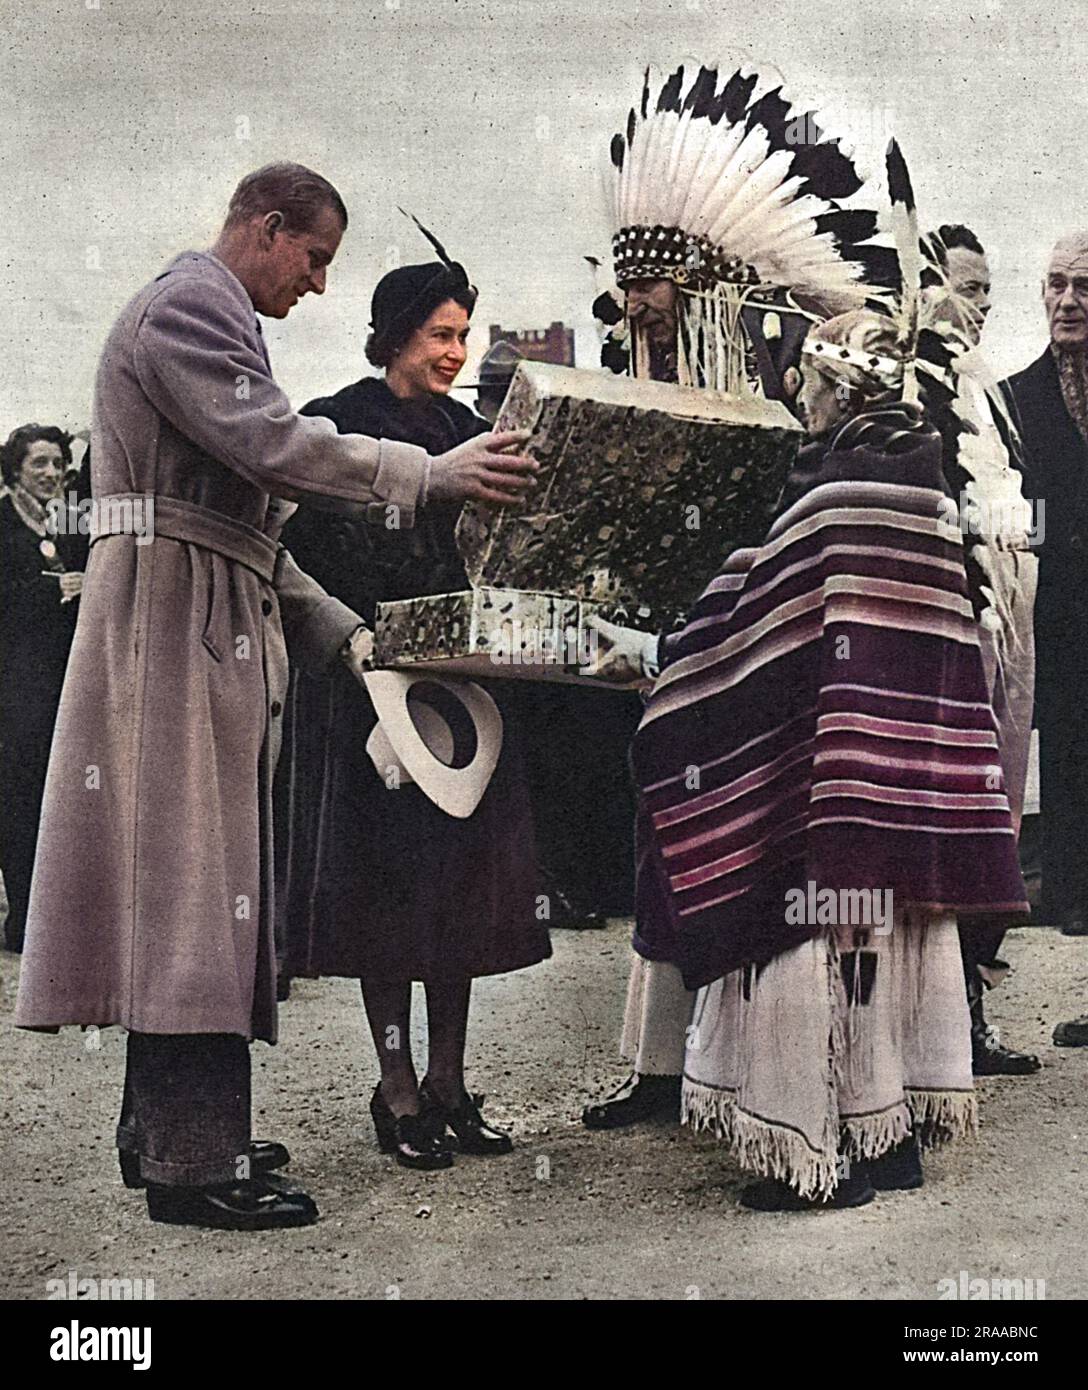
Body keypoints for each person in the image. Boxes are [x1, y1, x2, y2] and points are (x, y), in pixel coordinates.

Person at [14, 162, 536, 1231]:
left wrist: (344, 642)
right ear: (264, 226)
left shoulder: (211, 316)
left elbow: (256, 522)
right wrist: (426, 474)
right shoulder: (191, 304)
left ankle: (170, 1138)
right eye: (314, 258)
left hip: (196, 610)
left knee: (191, 894)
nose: (317, 285)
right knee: (192, 897)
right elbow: (278, 451)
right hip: (173, 621)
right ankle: (193, 1165)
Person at [594, 310, 1029, 1208]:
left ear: (833, 388)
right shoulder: (930, 494)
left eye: (807, 381)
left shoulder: (832, 499)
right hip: (902, 789)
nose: (797, 393)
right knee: (887, 948)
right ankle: (887, 1137)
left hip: (826, 788)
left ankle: (816, 1154)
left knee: (811, 951)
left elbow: (754, 625)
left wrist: (661, 655)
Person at [582, 61, 888, 1130]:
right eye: (624, 287)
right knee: (658, 832)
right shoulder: (622, 375)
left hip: (761, 636)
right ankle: (661, 1065)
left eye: (654, 286)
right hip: (664, 636)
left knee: (756, 838)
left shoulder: (775, 388)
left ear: (700, 282)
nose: (635, 304)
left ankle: (757, 1071)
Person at [276, 245, 551, 1169]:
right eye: (442, 332)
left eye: (465, 333)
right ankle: (396, 1090)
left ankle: (449, 1083)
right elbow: (303, 558)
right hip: (373, 696)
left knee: (461, 900)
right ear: (396, 333)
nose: (456, 350)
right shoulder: (335, 425)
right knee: (388, 903)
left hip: (469, 693)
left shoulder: (477, 428)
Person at [919, 224, 1041, 1074]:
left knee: (996, 811)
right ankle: (940, 1024)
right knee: (949, 819)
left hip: (1010, 618)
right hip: (947, 626)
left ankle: (972, 1009)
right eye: (969, 289)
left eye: (991, 292)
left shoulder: (987, 390)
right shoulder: (910, 387)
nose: (982, 306)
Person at [1003, 233, 1088, 940]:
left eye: (1085, 286)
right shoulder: (1014, 402)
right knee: (1063, 749)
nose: (1069, 300)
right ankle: (1069, 889)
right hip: (1056, 612)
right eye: (1057, 284)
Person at [0, 424, 86, 953]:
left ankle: (51, 915)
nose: (51, 473)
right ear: (15, 471)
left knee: (60, 795)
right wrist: (50, 590)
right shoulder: (4, 521)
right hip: (13, 685)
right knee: (21, 795)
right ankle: (23, 919)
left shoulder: (69, 521)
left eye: (57, 463)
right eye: (39, 465)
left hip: (60, 679)